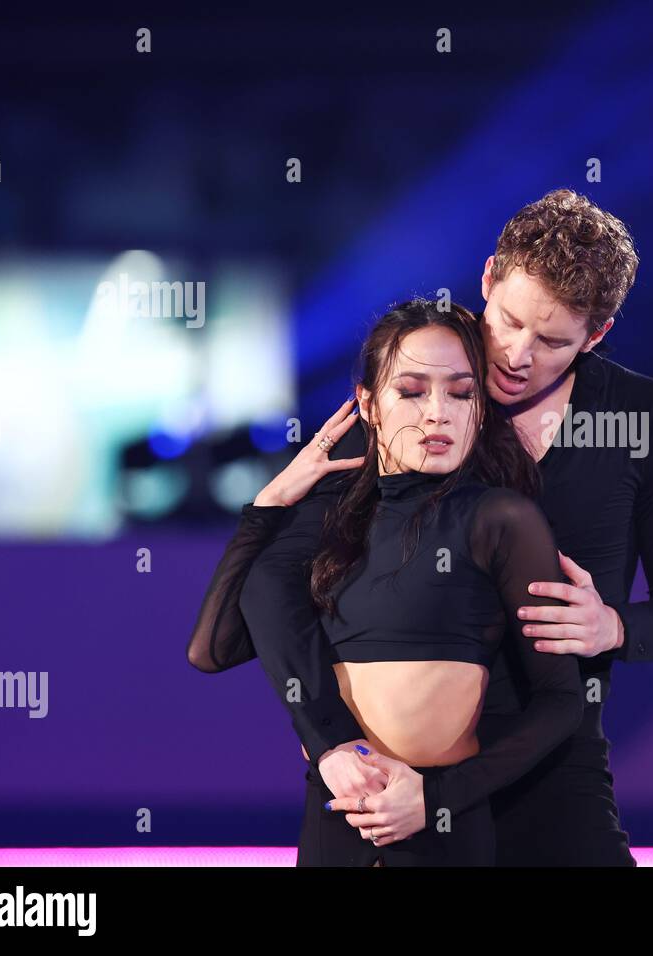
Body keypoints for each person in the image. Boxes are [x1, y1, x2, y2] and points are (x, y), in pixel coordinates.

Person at [189, 189, 653, 865]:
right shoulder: (422, 386)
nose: (518, 355)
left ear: (597, 335)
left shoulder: (645, 421)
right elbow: (256, 620)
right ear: (488, 279)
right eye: (509, 320)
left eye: (553, 340)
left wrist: (615, 627)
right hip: (389, 784)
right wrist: (330, 738)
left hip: (550, 767)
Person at [191, 299, 583, 866]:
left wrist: (437, 798)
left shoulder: (502, 520)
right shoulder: (327, 524)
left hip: (444, 823)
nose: (437, 414)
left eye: (461, 393)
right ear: (369, 405)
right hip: (336, 814)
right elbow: (212, 648)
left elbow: (560, 702)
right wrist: (269, 504)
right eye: (412, 390)